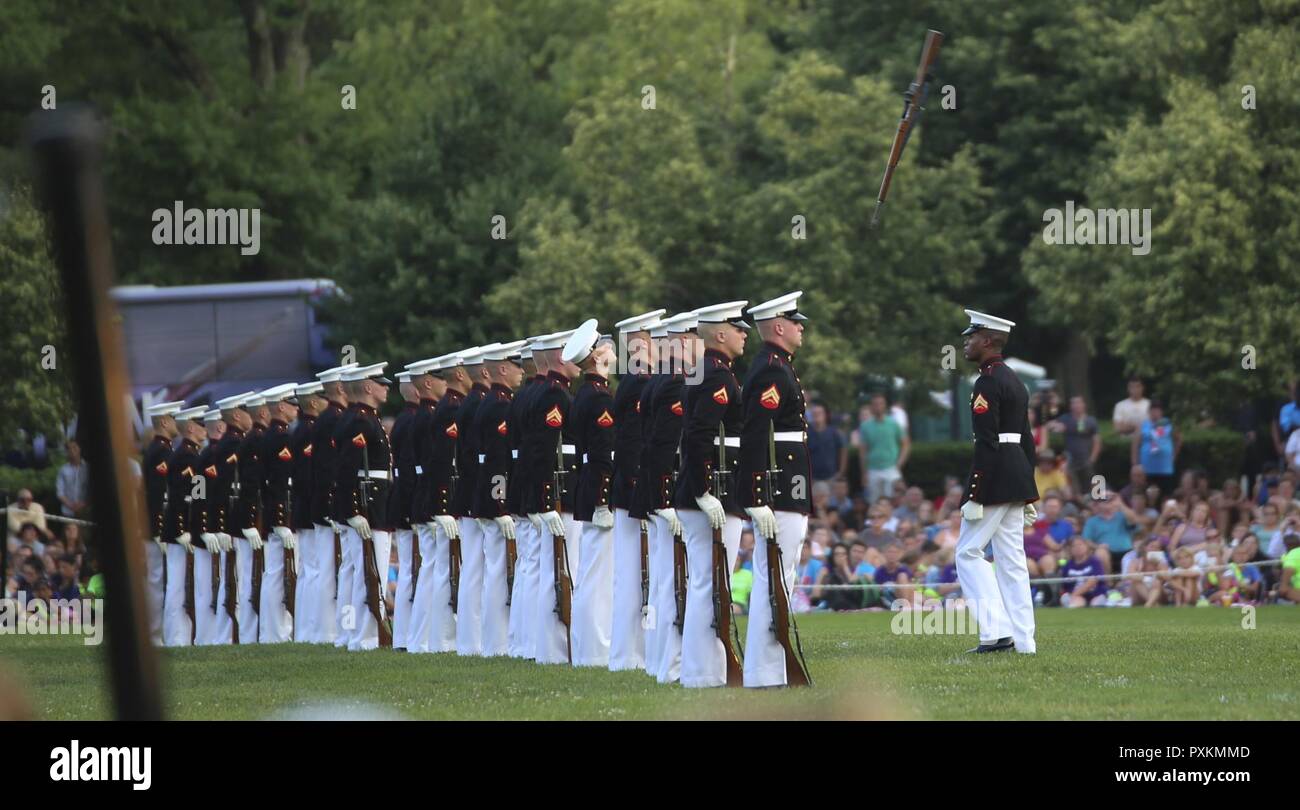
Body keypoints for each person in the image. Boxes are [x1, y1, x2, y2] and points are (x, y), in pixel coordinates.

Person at [738, 291, 813, 688]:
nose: (802, 327)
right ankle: (766, 671)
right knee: (776, 577)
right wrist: (757, 497)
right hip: (779, 489)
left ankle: (768, 669)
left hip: (786, 487)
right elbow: (754, 435)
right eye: (796, 321)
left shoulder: (778, 366)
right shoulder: (771, 370)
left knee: (779, 575)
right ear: (779, 327)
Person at [953, 310, 1039, 653]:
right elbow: (1027, 439)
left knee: (968, 552)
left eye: (971, 336)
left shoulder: (987, 382)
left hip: (997, 476)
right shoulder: (1015, 379)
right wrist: (1028, 491)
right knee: (1012, 560)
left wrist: (974, 493)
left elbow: (987, 443)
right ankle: (1024, 641)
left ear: (988, 340)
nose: (965, 342)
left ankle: (995, 631)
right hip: (1015, 474)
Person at [673, 302, 748, 687]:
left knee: (706, 579)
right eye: (738, 328)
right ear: (720, 334)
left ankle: (702, 669)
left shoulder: (705, 370)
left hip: (705, 492)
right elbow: (700, 434)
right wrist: (704, 490)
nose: (745, 334)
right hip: (711, 494)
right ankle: (704, 673)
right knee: (710, 581)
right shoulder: (717, 374)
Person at [525, 326, 583, 667]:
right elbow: (543, 451)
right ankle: (554, 649)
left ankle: (545, 647)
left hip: (556, 493)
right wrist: (546, 500)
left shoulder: (540, 392)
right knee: (561, 571)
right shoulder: (554, 396)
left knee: (551, 569)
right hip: (561, 495)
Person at [609, 312, 664, 671]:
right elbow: (632, 443)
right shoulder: (639, 382)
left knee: (636, 569)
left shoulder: (637, 380)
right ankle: (630, 654)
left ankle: (632, 652)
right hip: (633, 483)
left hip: (631, 481)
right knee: (634, 571)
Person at [410, 352, 469, 655]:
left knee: (434, 571)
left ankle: (425, 639)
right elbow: (441, 461)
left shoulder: (439, 409)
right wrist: (442, 506)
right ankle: (439, 640)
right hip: (436, 501)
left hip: (429, 499)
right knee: (441, 572)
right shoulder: (448, 410)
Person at [333, 363, 395, 651]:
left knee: (355, 573)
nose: (387, 388)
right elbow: (346, 470)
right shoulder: (361, 422)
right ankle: (366, 637)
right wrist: (354, 510)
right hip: (370, 505)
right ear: (369, 387)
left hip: (370, 502)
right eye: (382, 383)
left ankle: (350, 634)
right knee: (370, 573)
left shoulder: (361, 418)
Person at [472, 341, 528, 658]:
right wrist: (500, 504)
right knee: (496, 572)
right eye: (517, 366)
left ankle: (495, 641)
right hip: (494, 500)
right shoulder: (498, 406)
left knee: (494, 570)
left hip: (488, 496)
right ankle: (496, 643)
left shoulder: (491, 402)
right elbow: (496, 461)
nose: (522, 371)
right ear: (503, 369)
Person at [452, 346, 492, 656]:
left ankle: (471, 640)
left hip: (471, 494)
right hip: (479, 495)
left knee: (473, 571)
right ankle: (476, 641)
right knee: (480, 570)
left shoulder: (470, 404)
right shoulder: (480, 404)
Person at [160, 405, 207, 646]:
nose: (205, 430)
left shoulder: (191, 455)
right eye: (201, 425)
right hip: (180, 530)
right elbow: (179, 496)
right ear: (191, 427)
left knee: (180, 584)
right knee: (178, 585)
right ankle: (176, 638)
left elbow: (195, 495)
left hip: (183, 528)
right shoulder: (186, 456)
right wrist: (181, 530)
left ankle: (181, 636)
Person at [257, 383, 300, 644]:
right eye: (292, 404)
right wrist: (281, 520)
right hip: (278, 516)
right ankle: (276, 632)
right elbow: (278, 484)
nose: (296, 408)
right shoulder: (280, 438)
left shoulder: (272, 436)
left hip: (274, 515)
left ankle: (273, 631)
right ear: (281, 407)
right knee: (276, 574)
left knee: (273, 572)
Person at [141, 399, 184, 646]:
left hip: (155, 527)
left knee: (157, 581)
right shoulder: (161, 452)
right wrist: (158, 528)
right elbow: (159, 494)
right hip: (157, 529)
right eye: (174, 418)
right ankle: (154, 635)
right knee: (157, 581)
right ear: (165, 422)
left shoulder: (157, 449)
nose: (177, 424)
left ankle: (156, 633)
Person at [288, 381, 326, 643]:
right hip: (312, 509)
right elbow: (309, 478)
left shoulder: (302, 431)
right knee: (315, 570)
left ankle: (306, 630)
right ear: (314, 403)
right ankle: (314, 630)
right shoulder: (310, 432)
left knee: (309, 571)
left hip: (304, 509)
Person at [387, 371, 422, 650]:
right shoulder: (413, 421)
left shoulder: (403, 420)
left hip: (404, 502)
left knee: (412, 569)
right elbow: (412, 471)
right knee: (413, 570)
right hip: (412, 503)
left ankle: (403, 636)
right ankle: (409, 636)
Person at [856, 393, 909, 505]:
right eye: (875, 404)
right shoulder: (865, 426)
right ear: (871, 407)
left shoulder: (894, 424)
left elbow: (906, 444)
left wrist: (899, 464)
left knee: (894, 502)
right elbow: (863, 451)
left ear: (885, 406)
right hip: (873, 470)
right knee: (874, 503)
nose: (878, 406)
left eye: (881, 404)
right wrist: (864, 473)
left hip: (891, 468)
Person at [1052, 396, 1101, 497]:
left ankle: (1097, 502)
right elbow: (1050, 425)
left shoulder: (1091, 420)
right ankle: (1078, 503)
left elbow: (1097, 441)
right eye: (1074, 403)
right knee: (1072, 483)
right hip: (1070, 457)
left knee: (1092, 481)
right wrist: (1056, 426)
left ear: (1084, 405)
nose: (1076, 405)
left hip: (1087, 457)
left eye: (1079, 403)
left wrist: (1093, 457)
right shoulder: (1065, 419)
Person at [1081, 493, 1138, 573]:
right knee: (1100, 553)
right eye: (1104, 500)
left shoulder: (1122, 516)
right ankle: (1108, 583)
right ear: (1098, 504)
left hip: (1126, 551)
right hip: (1106, 553)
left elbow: (1134, 520)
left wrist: (1120, 504)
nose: (1107, 502)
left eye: (1110, 500)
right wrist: (1097, 546)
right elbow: (1086, 540)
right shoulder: (1092, 521)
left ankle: (1126, 583)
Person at [1133, 399, 1179, 497]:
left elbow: (1178, 439)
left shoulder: (1168, 425)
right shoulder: (1143, 425)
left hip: (1165, 468)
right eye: (1152, 410)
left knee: (1166, 495)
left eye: (1157, 410)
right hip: (1147, 469)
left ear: (1161, 412)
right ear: (1149, 411)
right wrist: (1135, 464)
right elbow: (1135, 445)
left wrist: (1173, 456)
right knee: (1146, 495)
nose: (1155, 413)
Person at [1058, 537, 1108, 607]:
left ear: (1086, 546)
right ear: (1070, 549)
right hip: (1076, 596)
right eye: (1074, 546)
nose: (1078, 548)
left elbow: (1092, 581)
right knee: (1074, 604)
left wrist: (1073, 595)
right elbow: (1064, 586)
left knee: (1097, 604)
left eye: (1080, 545)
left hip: (1095, 594)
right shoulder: (1067, 566)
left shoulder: (1095, 562)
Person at [807, 402, 846, 483]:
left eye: (819, 413)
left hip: (831, 478)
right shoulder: (807, 434)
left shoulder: (834, 433)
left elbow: (842, 451)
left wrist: (841, 472)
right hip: (813, 479)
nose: (817, 415)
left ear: (825, 415)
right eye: (814, 413)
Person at [56, 439, 89, 519]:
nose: (72, 451)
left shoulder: (88, 468)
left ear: (79, 449)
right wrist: (71, 505)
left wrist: (83, 504)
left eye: (74, 447)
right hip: (67, 512)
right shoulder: (63, 470)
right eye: (69, 449)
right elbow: (60, 492)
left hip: (86, 511)